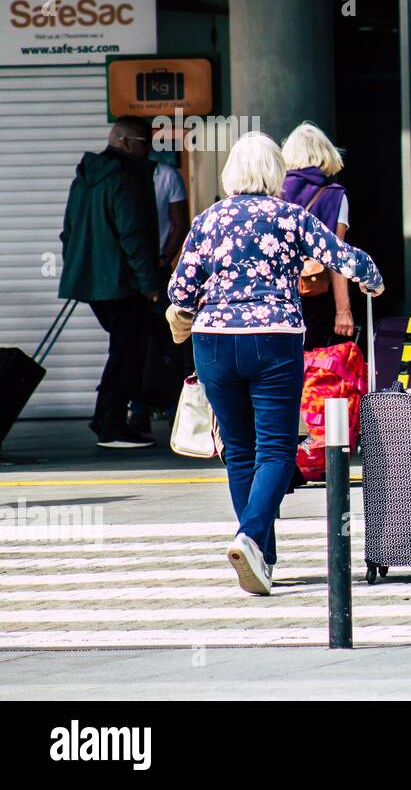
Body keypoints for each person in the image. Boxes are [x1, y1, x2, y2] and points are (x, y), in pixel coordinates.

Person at [167, 132, 383, 595]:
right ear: (275, 173)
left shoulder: (209, 220)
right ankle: (249, 537)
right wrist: (374, 281)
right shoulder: (288, 216)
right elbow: (342, 258)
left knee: (238, 450)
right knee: (277, 450)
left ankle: (261, 554)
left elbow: (180, 291)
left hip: (215, 343)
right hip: (274, 340)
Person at [59, 117, 162, 449]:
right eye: (145, 143)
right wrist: (149, 283)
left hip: (94, 282)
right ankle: (111, 424)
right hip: (122, 283)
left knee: (123, 349)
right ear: (125, 142)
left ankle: (106, 417)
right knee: (127, 351)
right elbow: (133, 236)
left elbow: (68, 232)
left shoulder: (86, 178)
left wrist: (81, 267)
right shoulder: (123, 179)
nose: (149, 151)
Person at [128, 156, 191, 435]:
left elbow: (180, 224)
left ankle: (139, 409)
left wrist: (163, 260)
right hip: (154, 271)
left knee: (137, 343)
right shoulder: (165, 175)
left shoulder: (162, 175)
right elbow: (180, 223)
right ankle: (169, 408)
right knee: (168, 341)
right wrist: (164, 260)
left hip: (137, 272)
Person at [281, 122, 355, 350]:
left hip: (276, 297)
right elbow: (337, 257)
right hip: (315, 294)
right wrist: (343, 311)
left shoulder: (273, 191)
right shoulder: (334, 195)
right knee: (313, 368)